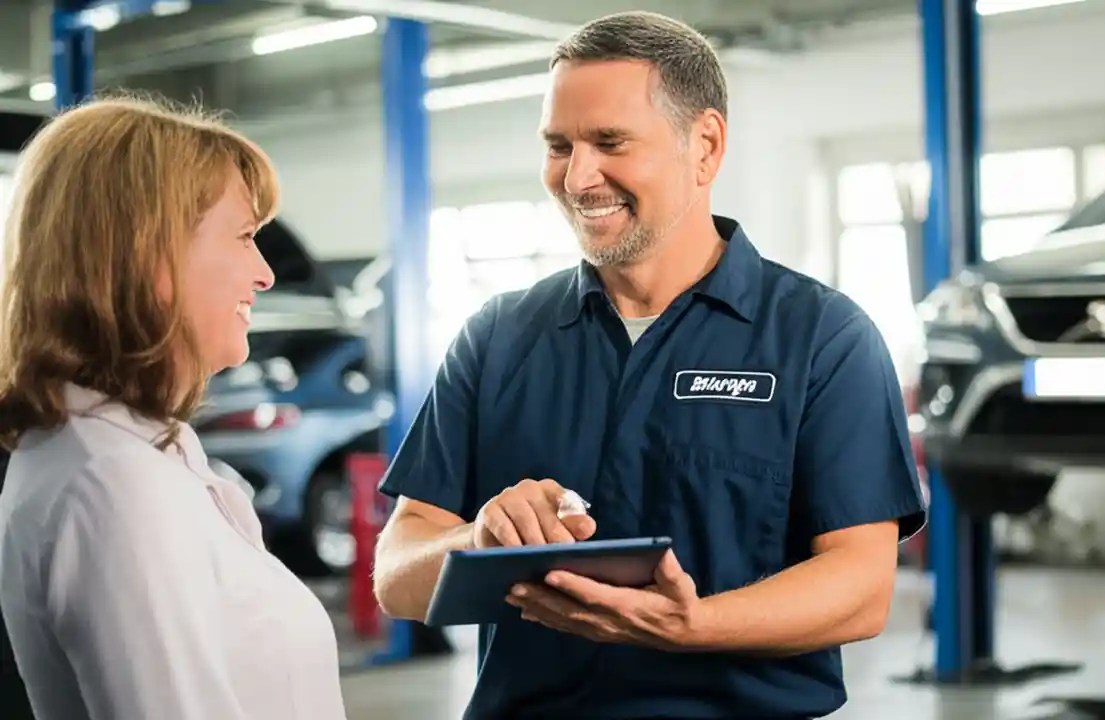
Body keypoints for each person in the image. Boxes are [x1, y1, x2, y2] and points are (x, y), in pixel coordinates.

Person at [374, 10, 926, 720]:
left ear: (705, 146)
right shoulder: (496, 339)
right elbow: (397, 575)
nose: (577, 177)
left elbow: (861, 584)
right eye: (558, 145)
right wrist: (476, 539)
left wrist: (694, 627)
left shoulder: (821, 339)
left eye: (610, 142)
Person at [0, 97, 347, 720]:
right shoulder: (111, 481)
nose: (265, 274)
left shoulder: (133, 450)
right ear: (145, 252)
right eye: (244, 237)